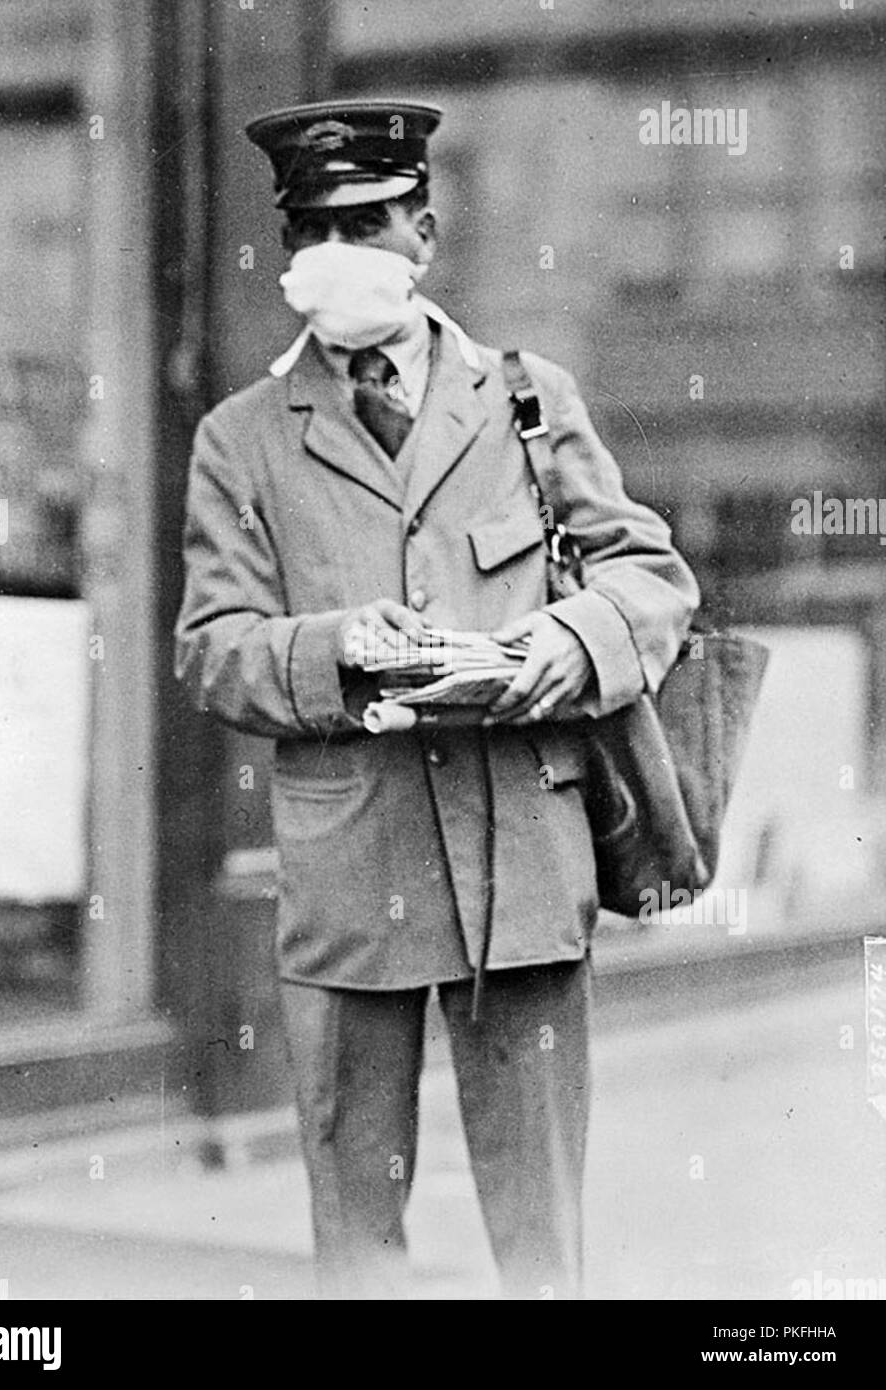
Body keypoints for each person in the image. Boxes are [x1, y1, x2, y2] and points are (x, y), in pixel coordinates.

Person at [175, 99, 699, 1300]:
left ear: (424, 227)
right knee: (356, 1233)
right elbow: (211, 651)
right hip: (352, 875)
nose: (340, 254)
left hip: (522, 857)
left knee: (541, 1237)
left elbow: (650, 577)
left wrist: (559, 648)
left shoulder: (525, 398)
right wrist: (338, 645)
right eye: (315, 229)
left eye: (367, 221)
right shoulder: (241, 440)